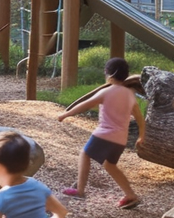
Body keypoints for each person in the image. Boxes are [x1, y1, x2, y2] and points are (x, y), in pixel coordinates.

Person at [56, 57, 146, 209]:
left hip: (104, 134)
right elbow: (139, 118)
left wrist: (65, 114)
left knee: (85, 154)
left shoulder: (106, 92)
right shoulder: (130, 95)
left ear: (108, 74)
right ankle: (130, 194)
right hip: (120, 139)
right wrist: (141, 136)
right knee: (110, 165)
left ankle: (80, 190)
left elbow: (84, 105)